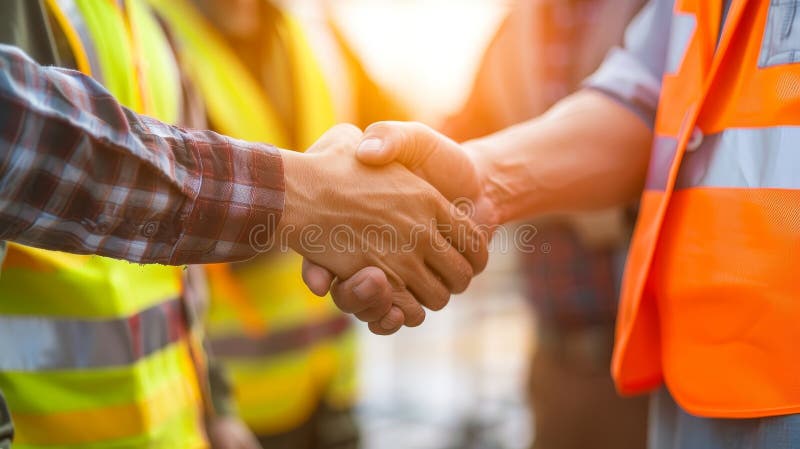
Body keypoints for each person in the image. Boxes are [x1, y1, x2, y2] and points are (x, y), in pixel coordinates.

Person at [305, 0, 800, 447]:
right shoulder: (518, 31)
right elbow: (643, 102)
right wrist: (458, 181)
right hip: (600, 365)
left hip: (638, 365)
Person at [442, 1, 648, 448]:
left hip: (646, 369)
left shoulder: (658, 11)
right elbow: (464, 132)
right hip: (553, 359)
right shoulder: (515, 27)